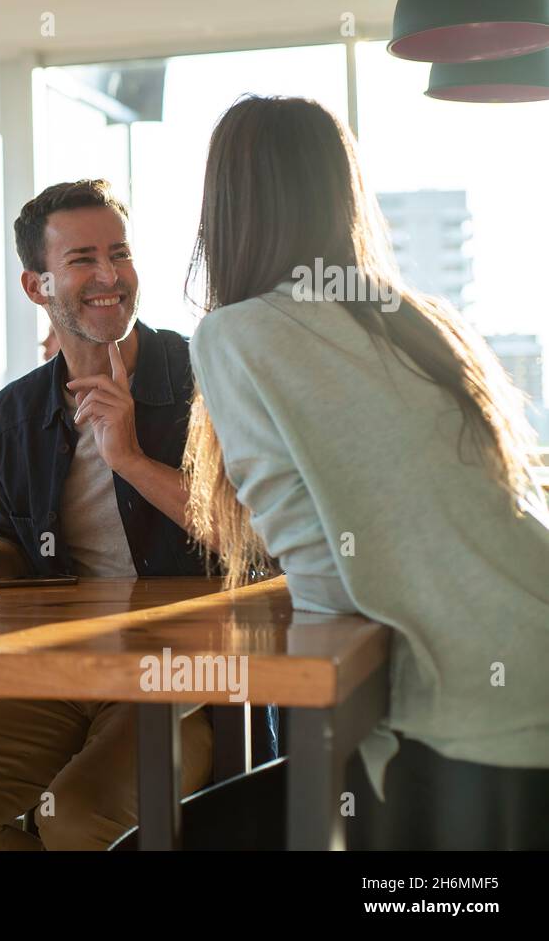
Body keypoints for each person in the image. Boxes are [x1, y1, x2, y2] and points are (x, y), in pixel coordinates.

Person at [183, 95, 549, 849]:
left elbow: (323, 569)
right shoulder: (419, 320)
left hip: (474, 712)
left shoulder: (237, 334)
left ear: (227, 209)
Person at [0, 180, 218, 850]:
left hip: (183, 676)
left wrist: (128, 458)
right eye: (82, 260)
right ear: (37, 286)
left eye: (119, 253)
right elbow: (19, 563)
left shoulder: (199, 375)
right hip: (63, 674)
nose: (109, 275)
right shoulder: (16, 412)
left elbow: (246, 535)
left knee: (70, 816)